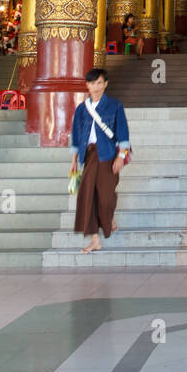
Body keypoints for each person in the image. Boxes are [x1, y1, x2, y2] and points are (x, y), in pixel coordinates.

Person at [68, 67, 131, 254]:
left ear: (105, 84)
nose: (95, 87)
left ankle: (108, 217)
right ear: (87, 85)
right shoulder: (81, 109)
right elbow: (77, 136)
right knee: (87, 197)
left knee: (106, 197)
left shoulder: (115, 106)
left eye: (99, 83)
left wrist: (121, 156)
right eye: (92, 83)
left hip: (108, 155)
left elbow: (123, 134)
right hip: (88, 156)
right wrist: (74, 161)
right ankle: (95, 239)